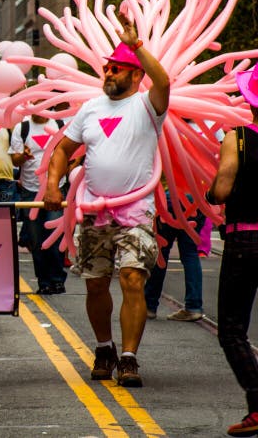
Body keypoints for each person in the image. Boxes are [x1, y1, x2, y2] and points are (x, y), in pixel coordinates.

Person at [44, 12, 170, 388]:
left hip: (135, 212)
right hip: (94, 213)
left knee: (132, 278)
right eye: (107, 68)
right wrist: (53, 184)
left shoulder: (149, 106)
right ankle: (104, 348)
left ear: (135, 75)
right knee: (96, 284)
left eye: (118, 68)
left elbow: (163, 80)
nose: (109, 74)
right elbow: (62, 150)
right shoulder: (91, 109)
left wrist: (136, 46)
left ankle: (129, 358)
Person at [207, 69, 258, 437]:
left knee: (232, 329)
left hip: (245, 241)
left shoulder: (237, 138)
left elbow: (221, 189)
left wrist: (210, 194)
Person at [10, 105, 67, 295]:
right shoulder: (22, 128)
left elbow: (70, 154)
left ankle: (58, 280)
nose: (36, 107)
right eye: (32, 103)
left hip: (56, 189)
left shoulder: (59, 124)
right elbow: (14, 161)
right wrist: (23, 156)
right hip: (30, 190)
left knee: (55, 235)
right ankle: (43, 282)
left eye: (40, 102)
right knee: (36, 239)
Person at [144, 190, 205, 321]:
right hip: (196, 200)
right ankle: (193, 307)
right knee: (190, 254)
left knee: (161, 253)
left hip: (171, 198)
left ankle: (149, 305)